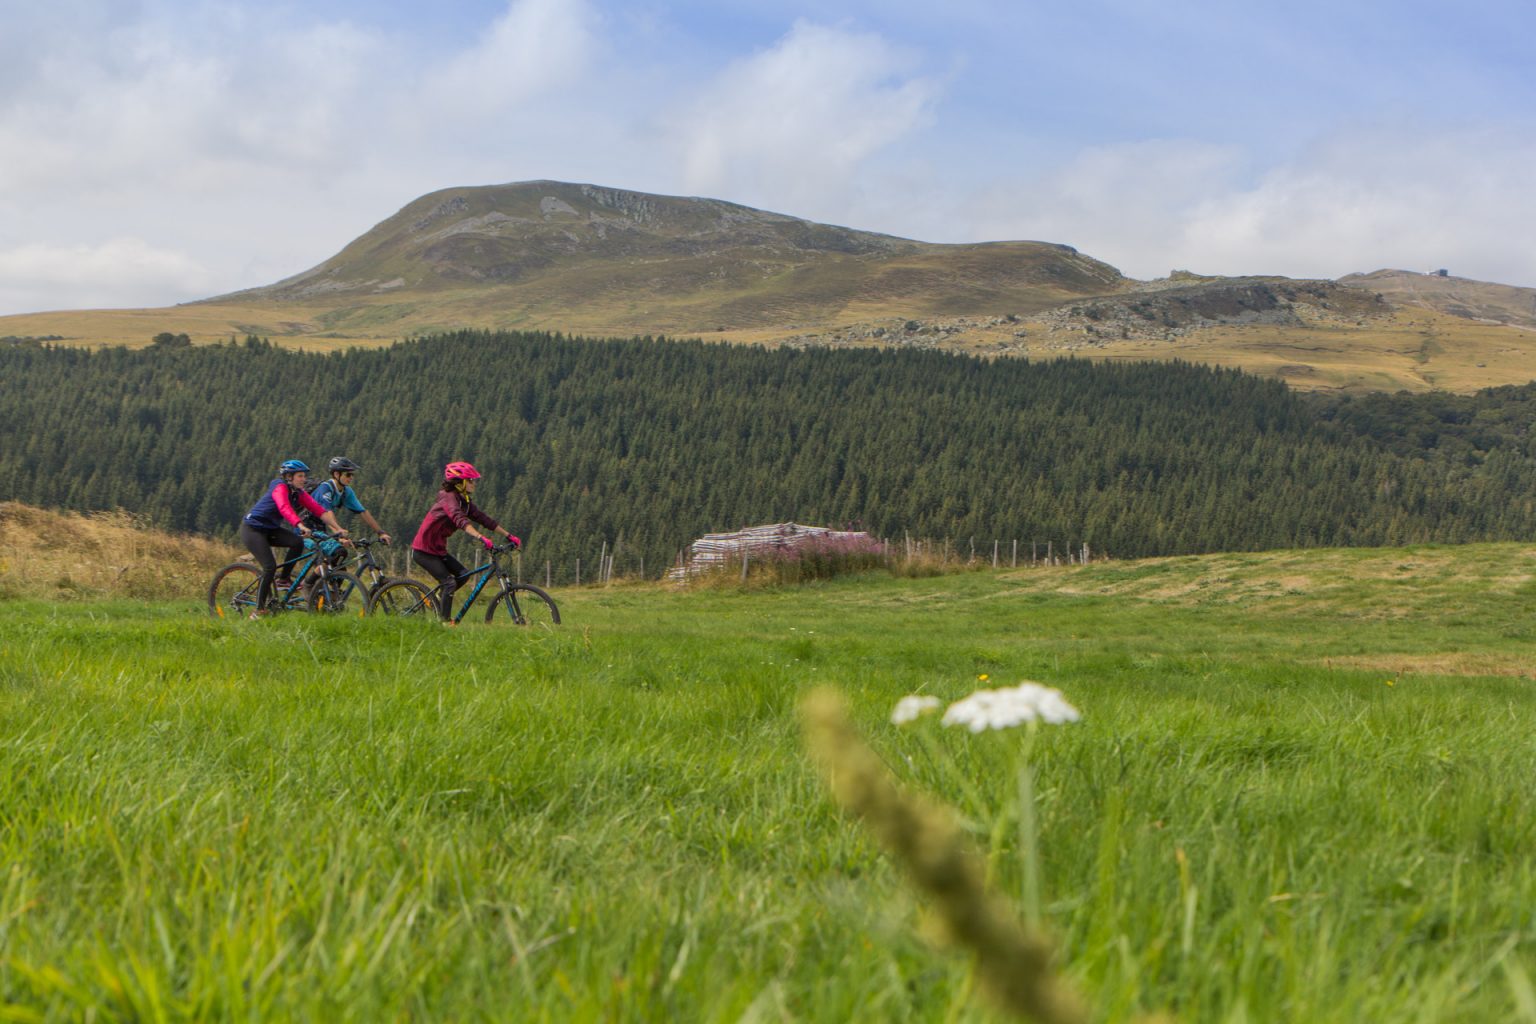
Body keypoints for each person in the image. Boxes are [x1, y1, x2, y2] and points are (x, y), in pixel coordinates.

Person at [410, 461, 519, 626]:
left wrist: (508, 535)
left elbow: (483, 519)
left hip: (438, 550)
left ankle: (438, 599)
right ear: (459, 482)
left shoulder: (464, 502)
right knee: (449, 583)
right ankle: (444, 624)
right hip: (424, 551)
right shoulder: (448, 499)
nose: (474, 484)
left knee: (463, 575)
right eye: (471, 480)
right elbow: (459, 520)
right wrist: (481, 538)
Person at [240, 459, 349, 617]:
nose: (304, 479)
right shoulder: (279, 487)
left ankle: (283, 580)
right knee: (269, 567)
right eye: (300, 476)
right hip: (252, 529)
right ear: (288, 477)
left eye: (304, 476)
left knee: (297, 542)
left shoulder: (298, 493)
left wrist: (338, 528)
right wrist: (300, 525)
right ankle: (258, 609)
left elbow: (319, 510)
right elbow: (284, 508)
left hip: (270, 529)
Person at [305, 456, 393, 561]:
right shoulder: (325, 489)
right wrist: (339, 532)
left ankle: (325, 576)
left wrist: (381, 532)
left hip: (320, 529)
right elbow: (327, 514)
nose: (351, 478)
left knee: (336, 568)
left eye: (352, 474)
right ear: (337, 474)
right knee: (338, 552)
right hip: (305, 528)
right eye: (348, 474)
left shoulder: (346, 491)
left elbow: (363, 512)